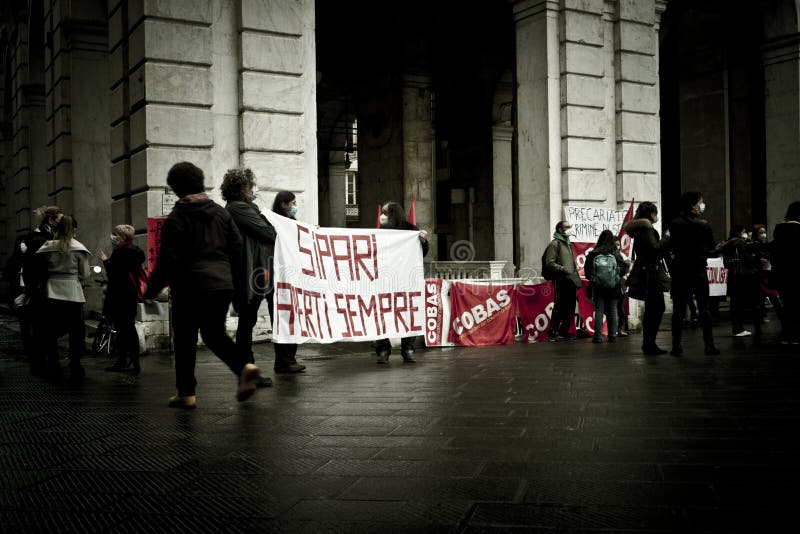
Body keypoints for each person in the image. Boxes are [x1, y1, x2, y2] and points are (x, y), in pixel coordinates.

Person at [143, 161, 264, 409]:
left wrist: (151, 291)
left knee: (184, 339)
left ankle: (186, 393)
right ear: (201, 183)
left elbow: (167, 260)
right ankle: (244, 367)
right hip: (221, 285)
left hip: (189, 286)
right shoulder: (221, 213)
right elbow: (237, 249)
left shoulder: (177, 218)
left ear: (176, 188)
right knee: (214, 334)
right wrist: (234, 285)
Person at [221, 167, 279, 384]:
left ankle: (247, 370)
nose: (255, 189)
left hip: (249, 270)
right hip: (246, 273)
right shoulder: (239, 208)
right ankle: (247, 371)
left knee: (247, 320)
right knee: (246, 321)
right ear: (243, 187)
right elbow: (269, 233)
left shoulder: (239, 207)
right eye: (252, 185)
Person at [33, 214, 91, 382]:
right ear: (73, 230)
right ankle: (75, 365)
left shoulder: (47, 247)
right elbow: (85, 274)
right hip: (72, 292)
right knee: (75, 332)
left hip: (51, 291)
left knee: (50, 331)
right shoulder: (78, 248)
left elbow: (39, 270)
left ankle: (54, 364)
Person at [667, 191, 720, 356]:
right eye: (700, 202)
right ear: (693, 205)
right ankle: (709, 345)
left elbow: (671, 246)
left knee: (678, 310)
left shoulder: (674, 224)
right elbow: (712, 249)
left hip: (680, 271)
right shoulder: (703, 225)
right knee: (704, 308)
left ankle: (676, 346)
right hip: (698, 270)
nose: (702, 205)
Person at [376, 201, 429, 363]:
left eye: (385, 212)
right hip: (385, 280)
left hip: (407, 281)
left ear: (393, 214)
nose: (382, 216)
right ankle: (383, 349)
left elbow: (423, 253)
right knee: (381, 315)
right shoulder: (380, 231)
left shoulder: (411, 230)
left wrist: (423, 241)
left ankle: (408, 349)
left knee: (408, 313)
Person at [267, 190, 307, 373]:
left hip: (291, 278)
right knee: (283, 318)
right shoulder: (275, 222)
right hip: (280, 279)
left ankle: (287, 359)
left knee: (291, 317)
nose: (295, 206)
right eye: (292, 203)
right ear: (283, 204)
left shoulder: (290, 222)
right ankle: (285, 360)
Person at [21, 206, 64, 375]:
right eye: (59, 220)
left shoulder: (46, 237)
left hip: (44, 289)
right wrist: (33, 289)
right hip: (42, 290)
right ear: (51, 220)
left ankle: (46, 363)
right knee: (43, 329)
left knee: (45, 329)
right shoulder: (39, 239)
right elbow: (31, 267)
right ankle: (45, 364)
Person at [622, 201, 670, 355]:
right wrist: (666, 238)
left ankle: (649, 343)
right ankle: (649, 343)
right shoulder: (646, 229)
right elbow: (654, 250)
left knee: (652, 309)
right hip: (651, 274)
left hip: (646, 273)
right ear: (651, 214)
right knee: (656, 308)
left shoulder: (640, 229)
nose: (657, 216)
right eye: (656, 213)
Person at [98, 224, 146, 373]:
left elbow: (113, 274)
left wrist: (105, 260)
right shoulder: (137, 251)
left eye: (115, 234)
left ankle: (123, 361)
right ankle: (133, 362)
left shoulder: (120, 252)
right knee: (129, 327)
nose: (113, 237)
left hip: (119, 295)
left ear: (123, 237)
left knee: (122, 329)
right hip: (130, 295)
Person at [585, 230, 628, 343]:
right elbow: (623, 269)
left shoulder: (593, 253)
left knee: (599, 310)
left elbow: (587, 272)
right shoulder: (615, 253)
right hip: (613, 287)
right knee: (612, 310)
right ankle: (612, 335)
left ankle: (598, 336)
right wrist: (615, 276)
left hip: (598, 287)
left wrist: (596, 278)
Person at [720, 224, 761, 338]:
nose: (745, 234)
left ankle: (737, 328)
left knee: (735, 303)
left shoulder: (728, 243)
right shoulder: (739, 243)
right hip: (742, 277)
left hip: (732, 276)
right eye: (744, 231)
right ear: (738, 233)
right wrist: (754, 257)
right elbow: (747, 259)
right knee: (745, 302)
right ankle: (741, 328)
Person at [543, 221, 579, 342]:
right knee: (560, 305)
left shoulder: (568, 243)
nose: (570, 228)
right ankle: (552, 333)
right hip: (560, 278)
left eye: (570, 226)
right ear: (559, 229)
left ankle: (564, 332)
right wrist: (562, 269)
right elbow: (549, 262)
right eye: (567, 227)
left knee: (571, 305)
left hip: (571, 278)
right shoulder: (555, 243)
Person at [771, 201, 800, 345]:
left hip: (781, 274)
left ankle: (786, 335)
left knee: (787, 306)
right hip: (796, 274)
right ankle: (795, 336)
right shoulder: (797, 230)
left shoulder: (779, 229)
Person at [750, 223, 783, 326]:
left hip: (768, 275)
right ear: (756, 234)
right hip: (759, 276)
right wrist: (758, 259)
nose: (763, 235)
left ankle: (783, 320)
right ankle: (759, 322)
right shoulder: (753, 246)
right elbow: (752, 258)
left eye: (764, 232)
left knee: (773, 298)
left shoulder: (768, 245)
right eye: (761, 233)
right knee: (760, 301)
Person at [613, 236, 630, 336]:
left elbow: (627, 269)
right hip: (615, 285)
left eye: (618, 245)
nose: (617, 247)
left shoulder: (622, 255)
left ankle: (619, 328)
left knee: (620, 308)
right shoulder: (611, 256)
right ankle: (614, 329)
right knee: (614, 308)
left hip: (622, 285)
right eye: (615, 245)